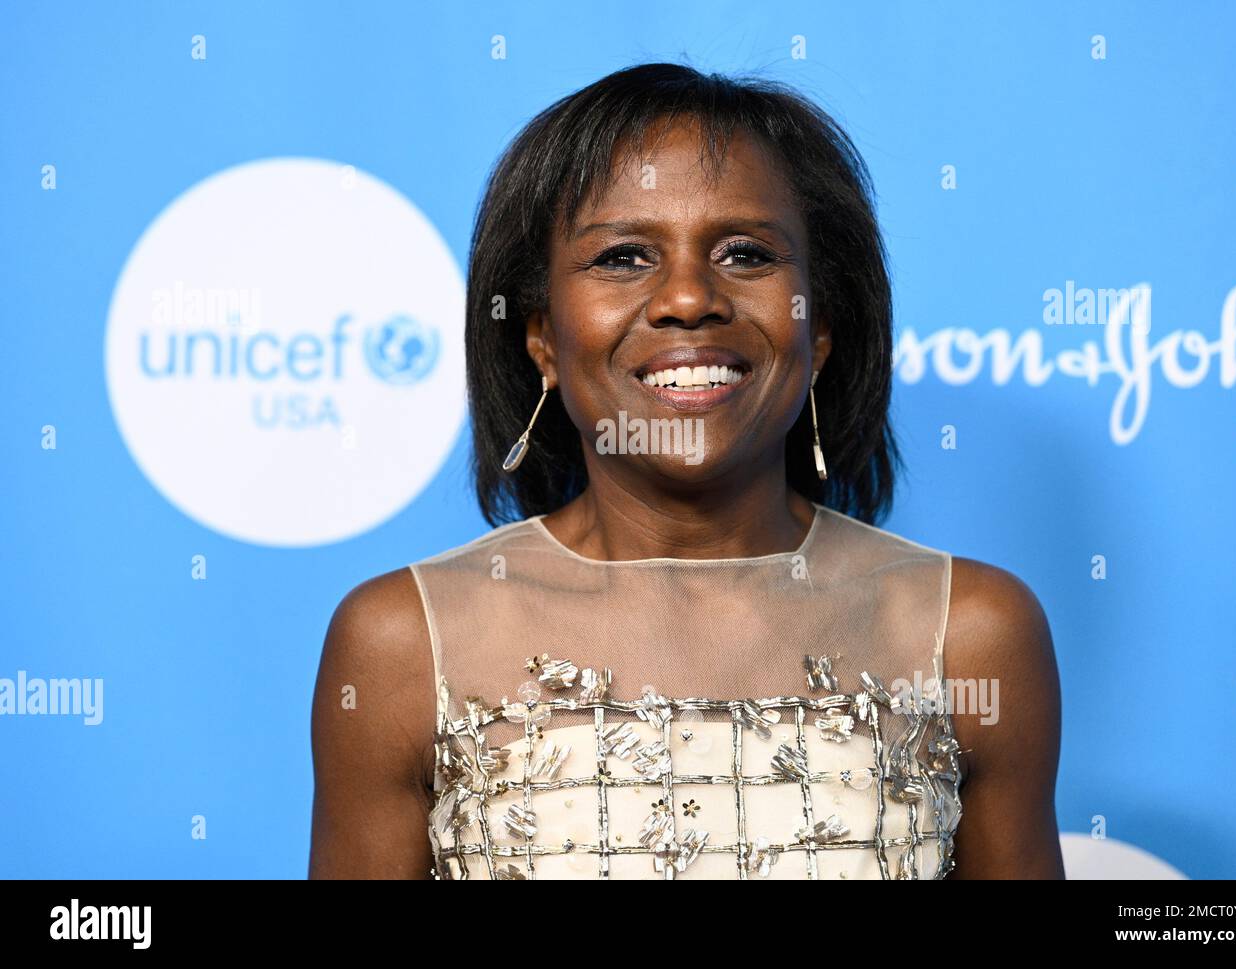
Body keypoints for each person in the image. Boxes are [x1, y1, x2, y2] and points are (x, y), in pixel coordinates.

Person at [308, 63, 1065, 880]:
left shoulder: (974, 631)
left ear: (820, 334)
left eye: (745, 253)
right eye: (625, 256)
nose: (688, 297)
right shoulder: (401, 644)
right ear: (541, 341)